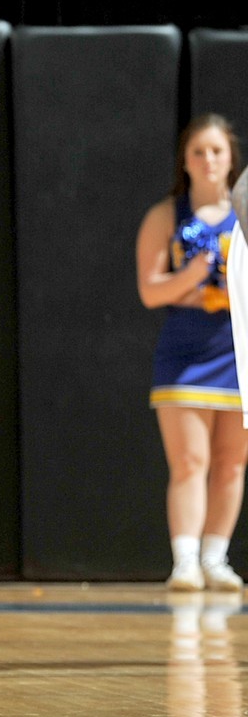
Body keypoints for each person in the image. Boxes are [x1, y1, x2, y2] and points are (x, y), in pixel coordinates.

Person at [137, 113, 248, 593]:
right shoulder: (167, 215)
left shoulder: (243, 214)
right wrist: (196, 274)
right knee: (189, 461)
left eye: (217, 151)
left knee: (232, 463)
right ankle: (184, 560)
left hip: (237, 351)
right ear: (185, 159)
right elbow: (150, 290)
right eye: (198, 151)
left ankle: (215, 557)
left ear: (231, 159)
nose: (208, 160)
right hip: (185, 355)